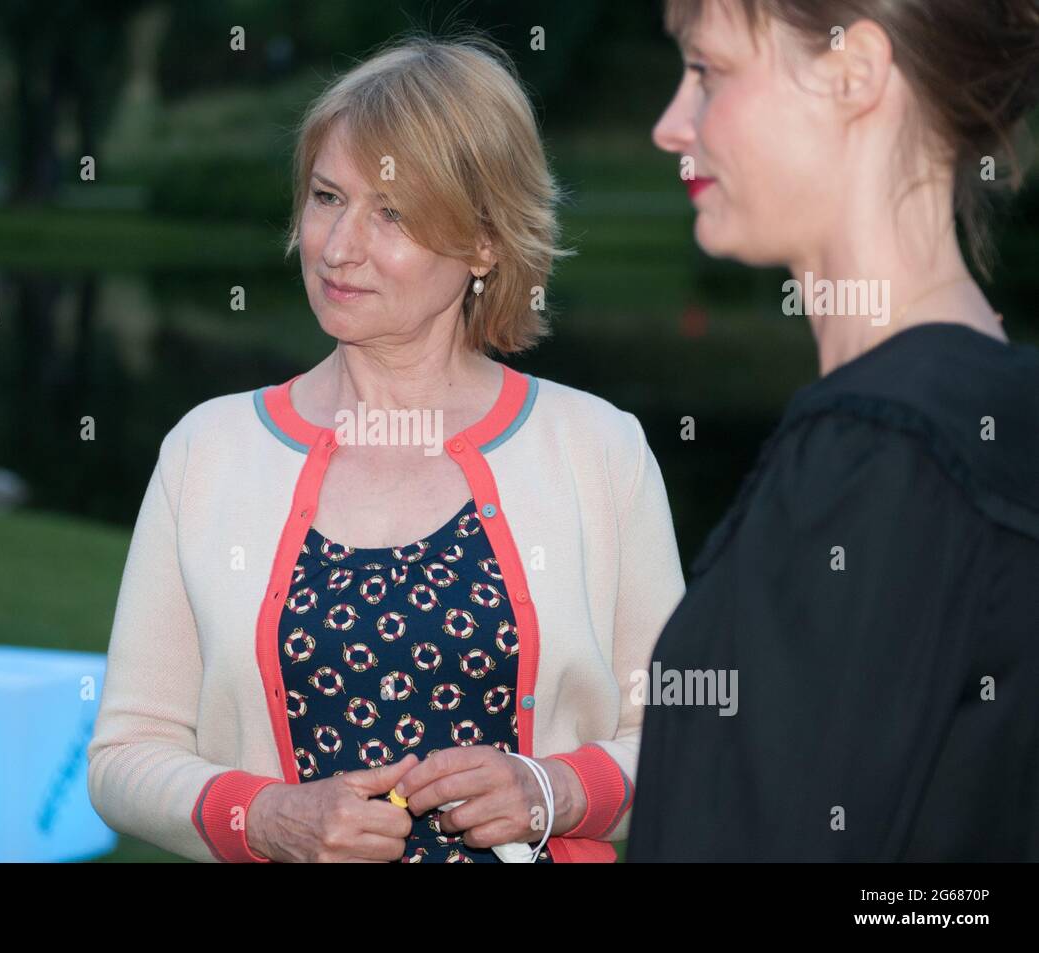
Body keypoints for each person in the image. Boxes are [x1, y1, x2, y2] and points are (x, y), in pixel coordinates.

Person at [86, 34, 686, 863]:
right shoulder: (207, 450)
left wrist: (552, 790)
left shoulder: (600, 451)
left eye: (392, 213)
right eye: (328, 197)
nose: (339, 247)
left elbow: (683, 743)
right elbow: (123, 755)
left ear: (483, 241)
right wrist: (264, 816)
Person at [629, 0, 1039, 860]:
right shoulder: (991, 426)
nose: (673, 126)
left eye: (707, 71)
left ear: (854, 74)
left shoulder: (873, 457)